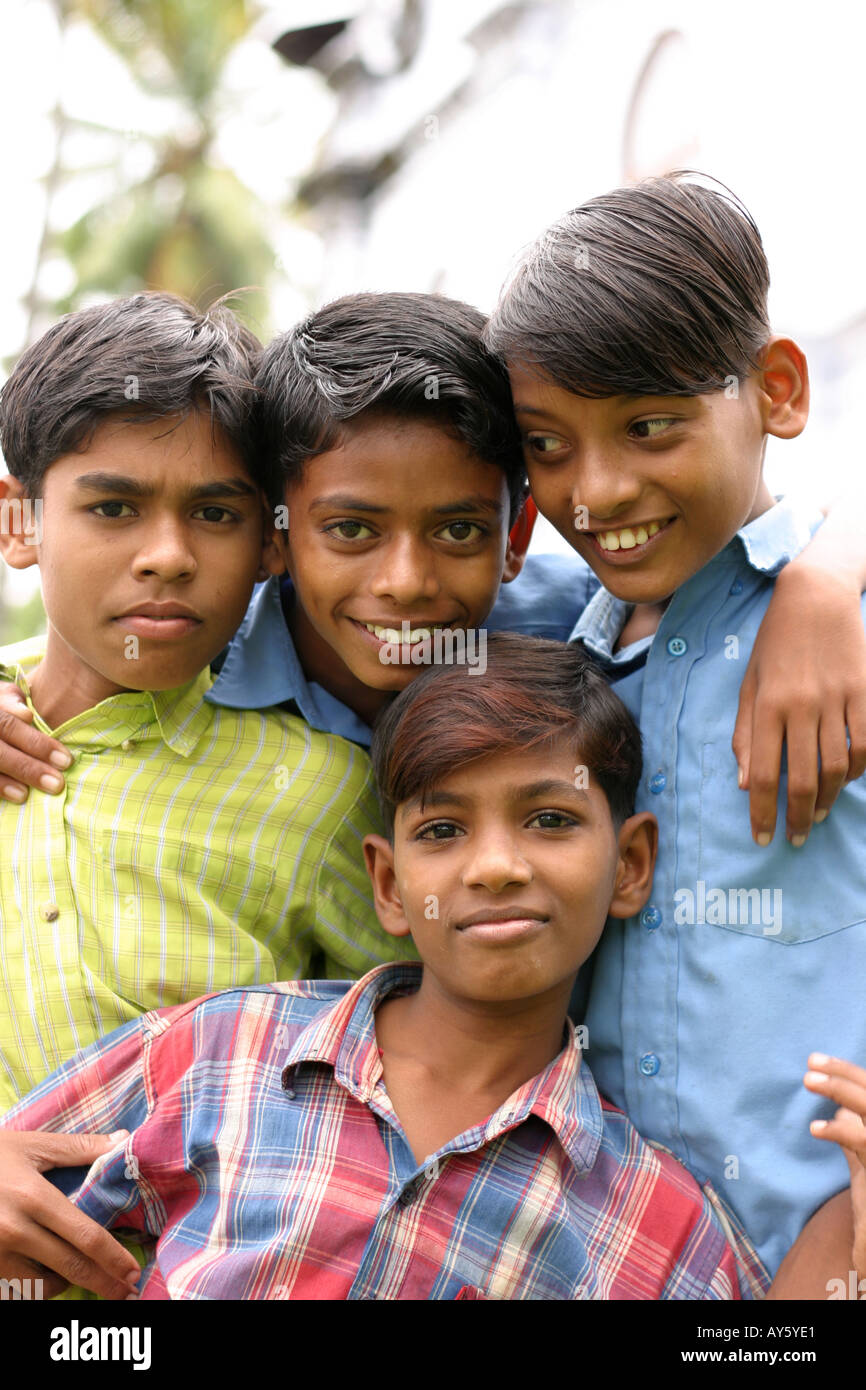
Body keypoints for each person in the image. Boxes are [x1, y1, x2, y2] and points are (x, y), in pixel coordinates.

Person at [0, 633, 807, 1300]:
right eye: (443, 831)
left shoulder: (659, 1224)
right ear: (388, 885)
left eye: (550, 819)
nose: (495, 867)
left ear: (629, 865)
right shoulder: (218, 1051)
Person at [483, 171, 866, 1278]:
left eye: (648, 427)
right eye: (547, 445)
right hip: (605, 1254)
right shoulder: (555, 658)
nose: (594, 490)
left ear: (777, 391)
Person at [0, 292, 406, 1296]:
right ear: (19, 522)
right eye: (112, 506)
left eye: (214, 513)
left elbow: (414, 1063)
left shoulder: (315, 789)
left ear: (270, 543)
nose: (168, 553)